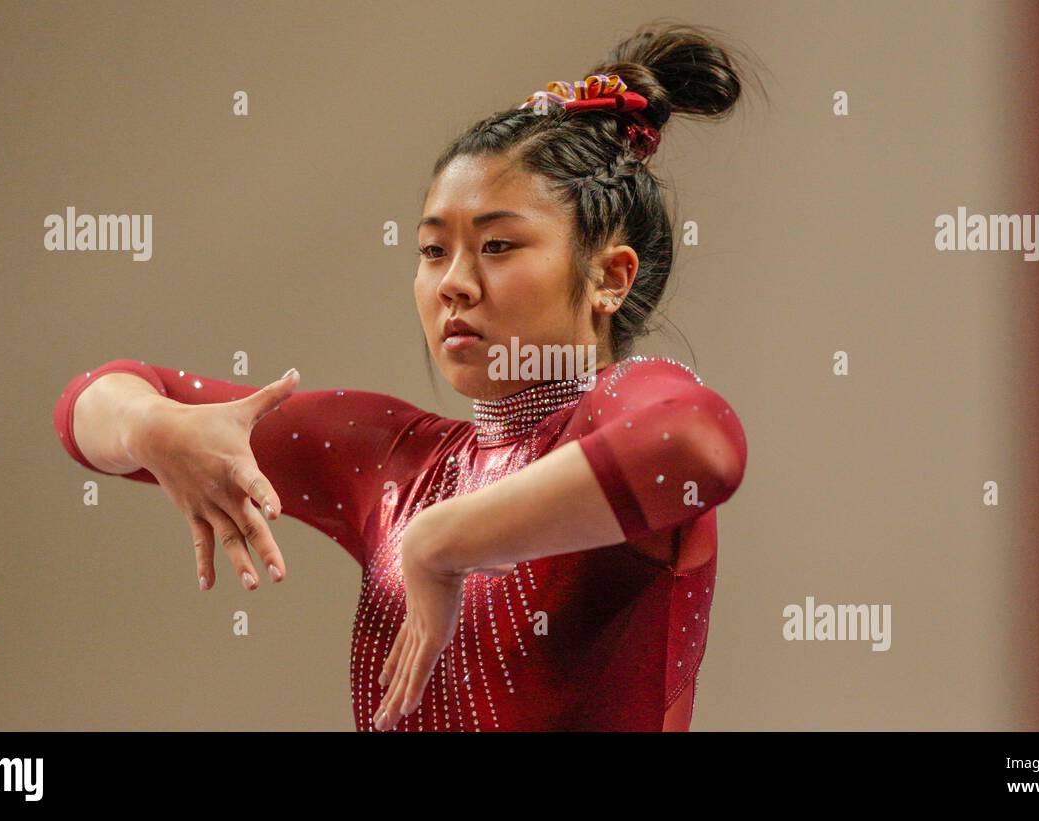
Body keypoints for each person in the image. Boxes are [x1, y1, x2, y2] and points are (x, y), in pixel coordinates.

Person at [52, 21, 756, 731]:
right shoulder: (395, 462)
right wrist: (155, 428)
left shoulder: (623, 411)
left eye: (497, 244)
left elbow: (701, 447)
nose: (452, 282)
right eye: (431, 249)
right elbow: (90, 401)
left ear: (609, 276)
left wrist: (438, 540)